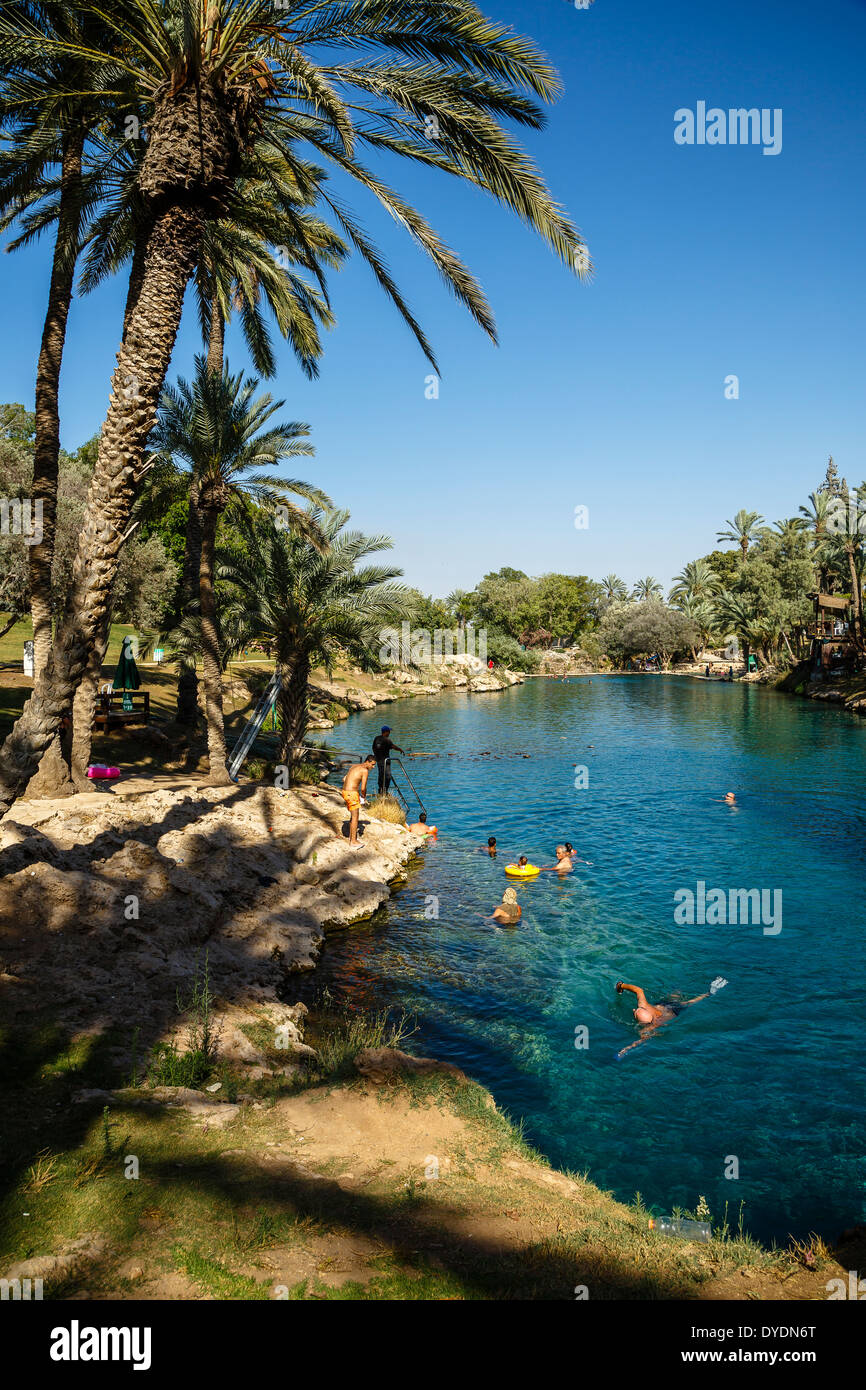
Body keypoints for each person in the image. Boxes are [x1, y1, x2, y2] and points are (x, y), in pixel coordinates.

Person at [614, 980, 712, 1057]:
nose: (634, 1010)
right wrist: (621, 986)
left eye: (635, 1012)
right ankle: (706, 994)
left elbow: (641, 1040)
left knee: (688, 1003)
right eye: (636, 1011)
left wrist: (626, 1049)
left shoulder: (652, 1025)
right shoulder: (643, 1005)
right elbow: (638, 990)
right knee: (680, 997)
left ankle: (707, 994)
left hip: (673, 1012)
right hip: (664, 1006)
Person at [341, 754, 376, 846]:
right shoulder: (365, 771)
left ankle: (351, 837)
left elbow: (344, 779)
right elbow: (363, 788)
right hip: (351, 794)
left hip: (344, 792)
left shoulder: (354, 766)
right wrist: (363, 797)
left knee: (353, 816)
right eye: (372, 764)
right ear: (367, 762)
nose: (373, 767)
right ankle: (353, 841)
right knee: (355, 817)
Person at [372, 725, 403, 796]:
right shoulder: (387, 740)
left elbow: (373, 748)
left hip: (379, 761)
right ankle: (385, 791)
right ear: (385, 732)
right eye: (388, 731)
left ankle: (380, 790)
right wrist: (400, 749)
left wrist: (376, 756)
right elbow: (393, 746)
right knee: (388, 776)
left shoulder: (376, 738)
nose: (389, 733)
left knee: (381, 775)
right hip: (386, 761)